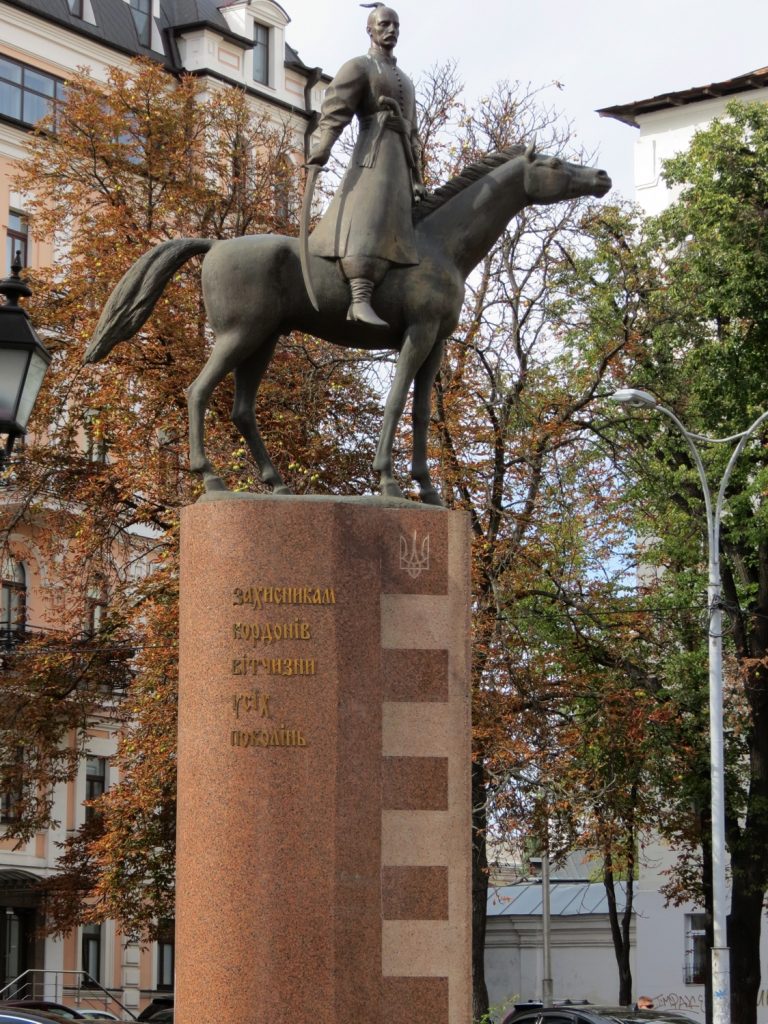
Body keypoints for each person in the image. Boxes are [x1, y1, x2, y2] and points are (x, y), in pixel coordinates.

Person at [307, 3, 426, 327]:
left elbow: (414, 133)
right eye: (384, 24)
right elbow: (336, 109)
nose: (391, 30)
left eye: (396, 25)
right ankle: (359, 298)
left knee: (399, 224)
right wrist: (323, 145)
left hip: (400, 160)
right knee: (369, 217)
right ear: (370, 29)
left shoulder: (406, 81)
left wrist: (417, 177)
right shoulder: (359, 66)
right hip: (373, 155)